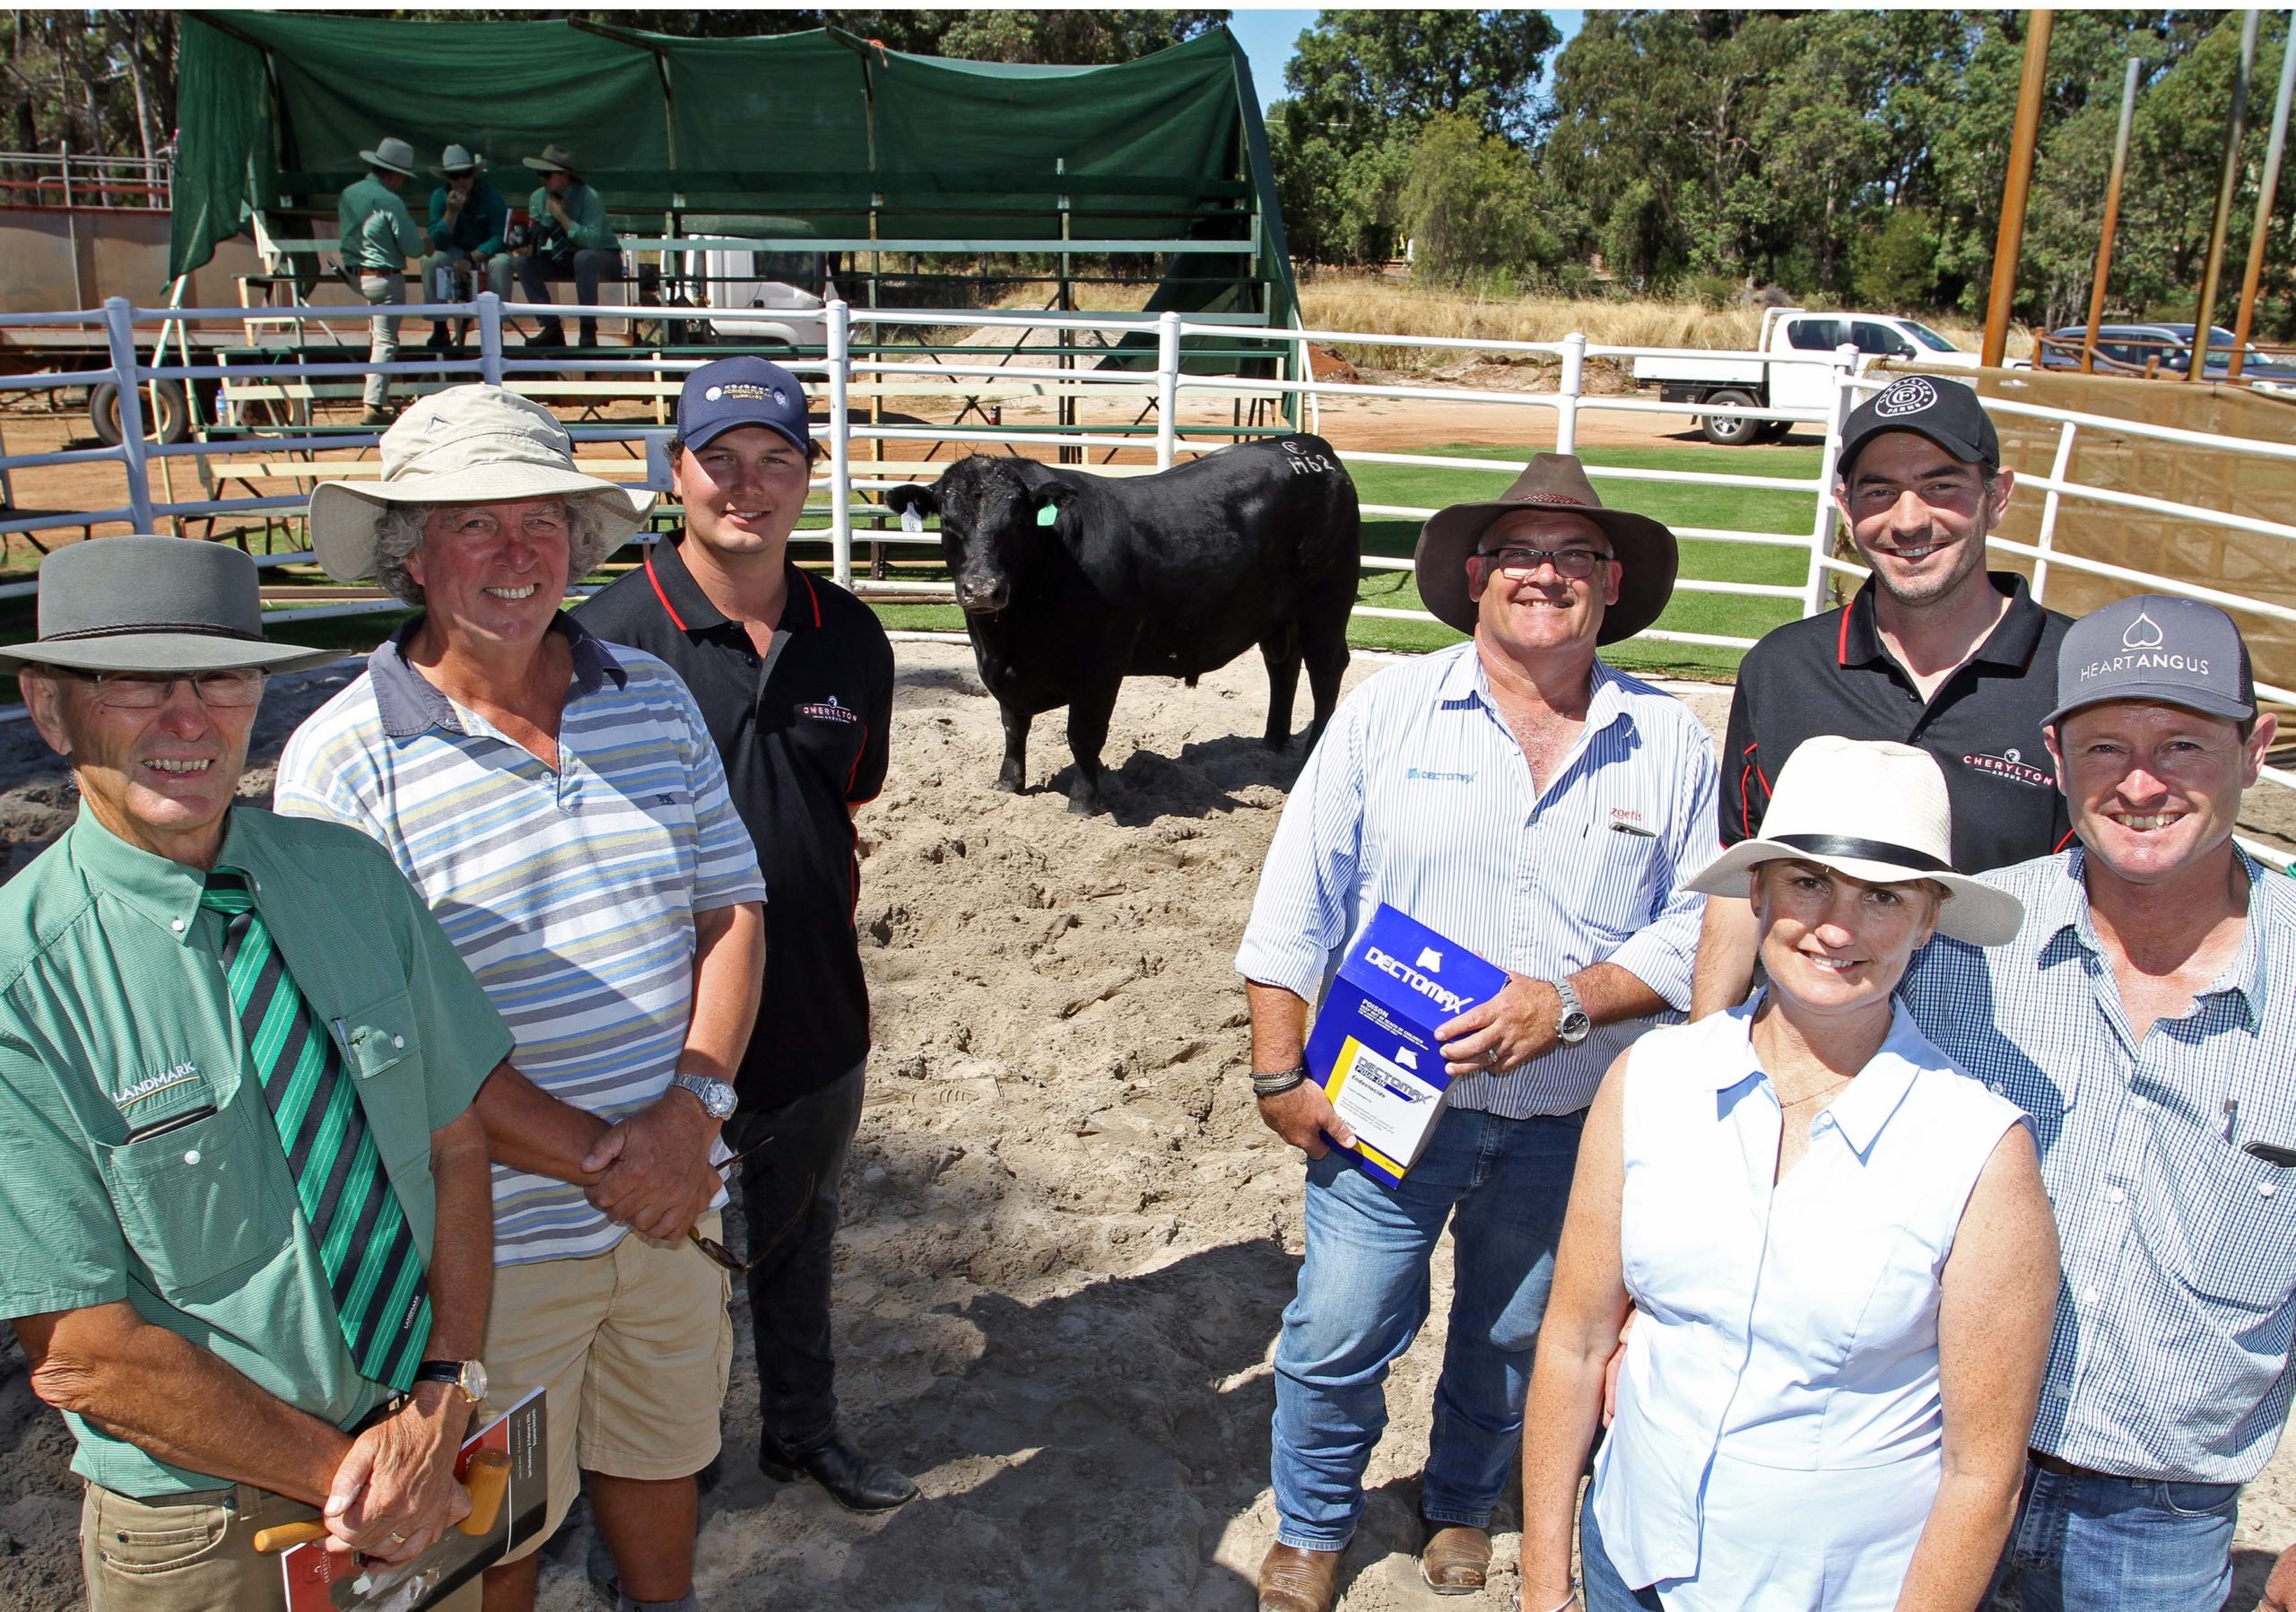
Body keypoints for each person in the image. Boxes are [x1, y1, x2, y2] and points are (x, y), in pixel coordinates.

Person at [275, 386, 767, 1612]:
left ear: (577, 541)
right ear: (411, 552)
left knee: (660, 1454)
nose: (515, 555)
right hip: (482, 1240)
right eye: (472, 525)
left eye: (540, 521)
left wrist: (693, 1108)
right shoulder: (343, 762)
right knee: (486, 1522)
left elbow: (732, 912)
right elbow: (381, 1040)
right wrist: (621, 1151)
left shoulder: (651, 700)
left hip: (670, 1192)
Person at [1235, 454, 1718, 1612]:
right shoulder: (1385, 711)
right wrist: (1274, 1072)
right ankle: (1311, 1523)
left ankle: (1460, 1500)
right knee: (1341, 1327)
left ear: (1611, 585)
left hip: (1575, 1111)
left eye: (1575, 556)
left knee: (1515, 1332)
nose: (1545, 575)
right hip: (1383, 1101)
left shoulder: (1669, 736)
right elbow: (1297, 898)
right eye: (1521, 553)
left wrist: (1567, 1000)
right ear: (1475, 574)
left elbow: (1700, 923)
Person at [0, 536, 511, 1610]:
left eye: (222, 675)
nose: (188, 719)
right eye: (138, 679)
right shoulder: (21, 986)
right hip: (213, 1531)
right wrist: (365, 1487)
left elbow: (454, 1144)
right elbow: (87, 1352)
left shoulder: (350, 881)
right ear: (50, 710)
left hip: (416, 1447)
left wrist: (439, 1394)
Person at [1519, 735, 2058, 1612]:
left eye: (1882, 897)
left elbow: (1980, 1472)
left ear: (1929, 920)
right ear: (1759, 894)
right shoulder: (1651, 1082)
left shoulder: (1978, 1153)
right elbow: (1574, 1343)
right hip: (1627, 1552)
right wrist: (1545, 1586)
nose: (1837, 927)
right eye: (1809, 882)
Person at [1900, 594, 2296, 1612]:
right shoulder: (1957, 944)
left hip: (2161, 1515)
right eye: (2104, 747)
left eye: (2183, 746)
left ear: (2255, 749)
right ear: (2054, 753)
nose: (2140, 783)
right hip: (1920, 1468)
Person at [575, 358, 908, 1512]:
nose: (747, 488)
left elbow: (847, 801)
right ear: (678, 473)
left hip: (815, 1006)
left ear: (810, 477)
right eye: (721, 462)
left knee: (799, 1237)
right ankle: (659, 1472)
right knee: (647, 1267)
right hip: (651, 1029)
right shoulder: (601, 644)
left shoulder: (850, 636)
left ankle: (801, 1433)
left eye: (776, 462)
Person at [1691, 375, 2073, 1017]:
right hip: (1803, 1050)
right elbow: (1741, 882)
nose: (1909, 519)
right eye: (1879, 490)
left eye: (1941, 485)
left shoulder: (2075, 677)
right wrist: (1706, 1055)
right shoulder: (1784, 669)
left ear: (1997, 494)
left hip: (2008, 1067)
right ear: (1846, 504)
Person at [336, 135, 428, 427]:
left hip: (355, 274)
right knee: (386, 340)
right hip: (383, 277)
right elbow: (412, 247)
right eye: (400, 177)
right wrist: (430, 243)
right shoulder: (389, 200)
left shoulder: (349, 193)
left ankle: (372, 395)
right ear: (392, 174)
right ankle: (373, 403)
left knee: (376, 336)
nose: (401, 182)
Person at [513, 143, 622, 350]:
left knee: (585, 257)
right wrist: (528, 245)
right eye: (539, 174)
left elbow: (591, 241)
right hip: (564, 258)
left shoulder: (589, 197)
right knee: (523, 263)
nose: (542, 179)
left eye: (547, 174)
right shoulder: (538, 197)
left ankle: (588, 328)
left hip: (603, 258)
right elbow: (539, 240)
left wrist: (561, 216)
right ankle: (551, 327)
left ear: (564, 175)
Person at [422, 144, 511, 350]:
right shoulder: (439, 197)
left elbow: (500, 236)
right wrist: (450, 214)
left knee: (503, 262)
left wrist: (472, 258)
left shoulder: (491, 195)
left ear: (474, 174)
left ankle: (495, 328)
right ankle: (440, 326)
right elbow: (436, 243)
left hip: (484, 249)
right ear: (448, 178)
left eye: (466, 174)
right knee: (431, 260)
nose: (461, 181)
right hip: (453, 249)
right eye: (455, 176)